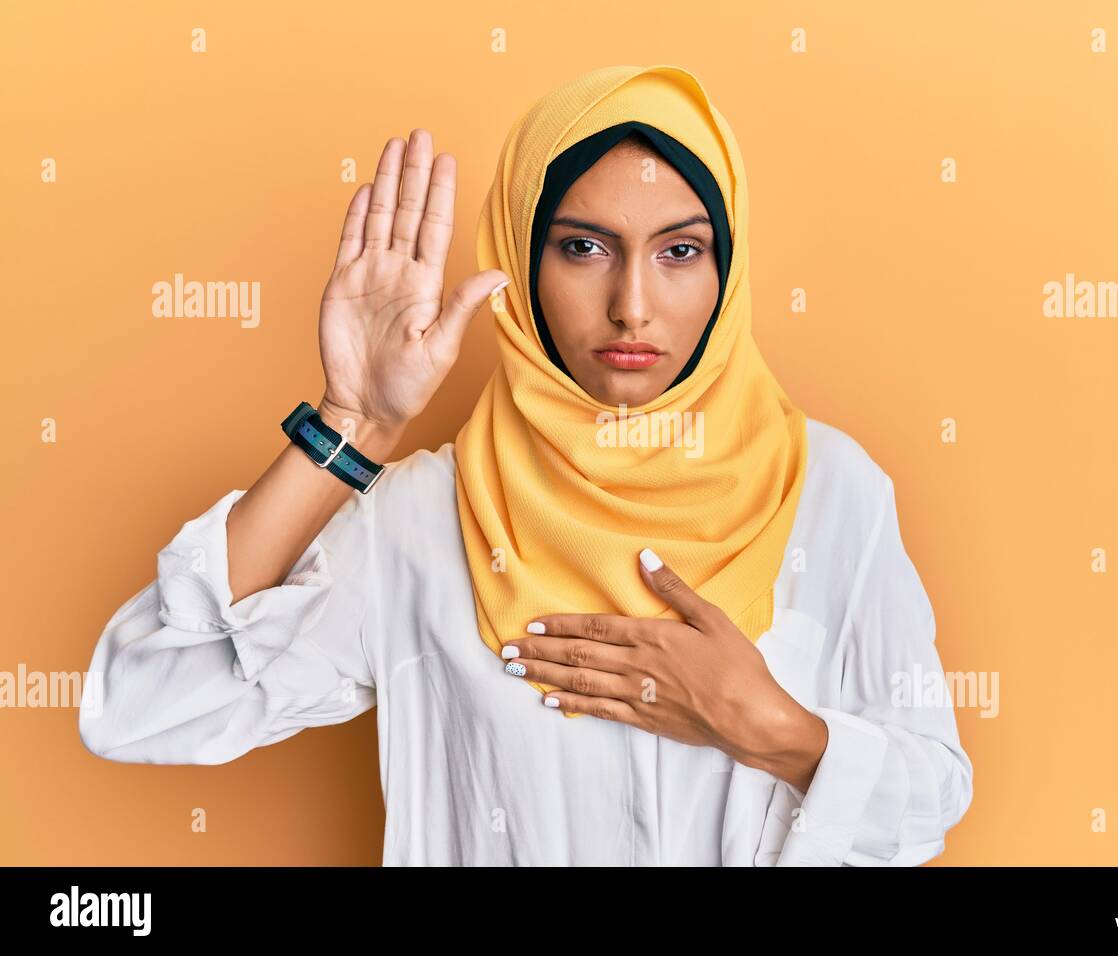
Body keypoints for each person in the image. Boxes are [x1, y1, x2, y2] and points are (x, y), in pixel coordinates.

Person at [78, 64, 974, 866]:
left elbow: (929, 797)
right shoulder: (425, 517)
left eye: (680, 251)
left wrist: (769, 728)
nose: (632, 305)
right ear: (518, 257)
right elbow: (141, 704)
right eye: (583, 247)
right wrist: (352, 422)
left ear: (726, 271)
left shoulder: (827, 489)